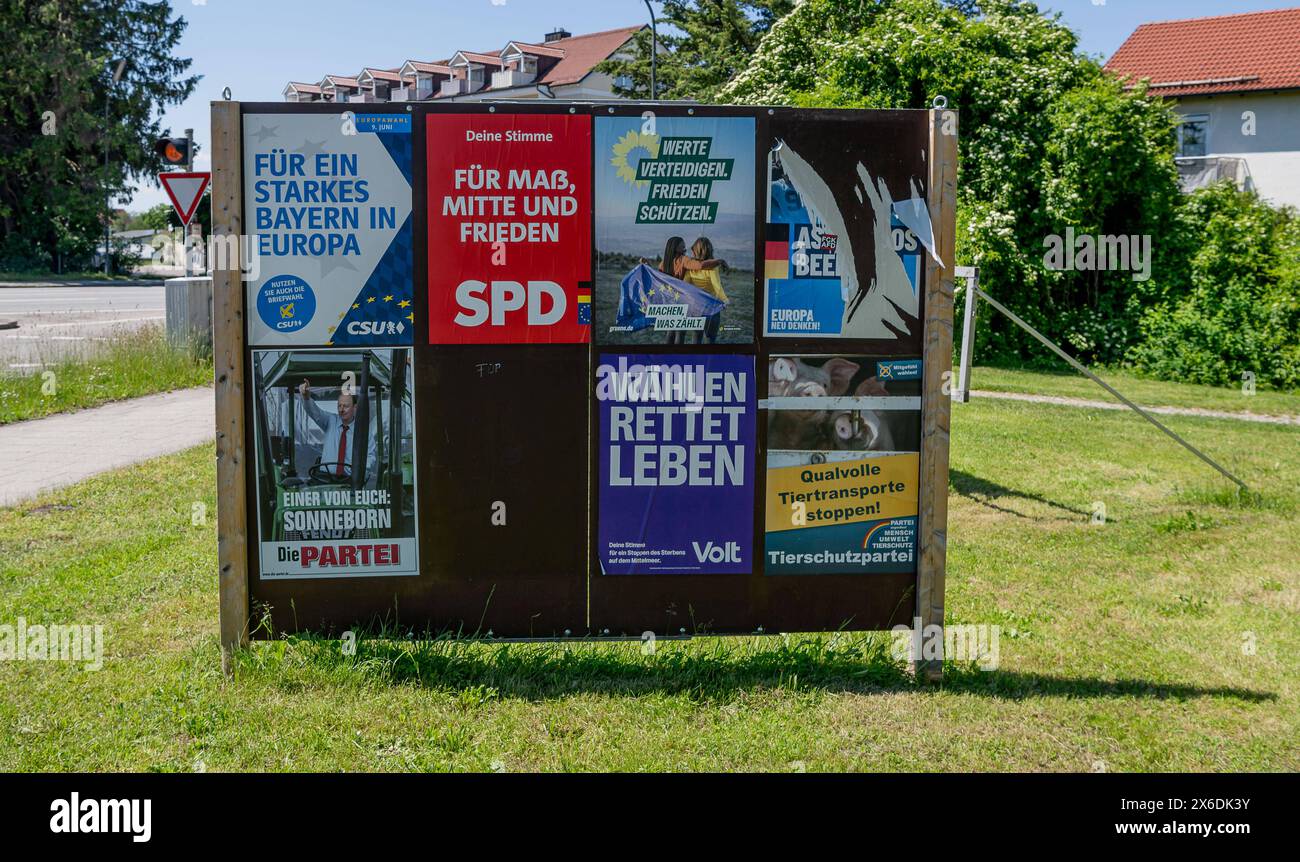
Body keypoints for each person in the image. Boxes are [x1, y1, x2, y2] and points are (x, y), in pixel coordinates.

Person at [297, 379, 377, 485]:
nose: (341, 409)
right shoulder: (330, 421)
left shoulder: (363, 432)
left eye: (346, 406)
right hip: (325, 479)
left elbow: (371, 456)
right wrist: (306, 397)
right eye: (339, 406)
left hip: (350, 479)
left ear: (355, 408)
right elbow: (314, 412)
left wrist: (359, 470)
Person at [657, 236, 725, 344]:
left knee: (671, 332)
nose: (685, 246)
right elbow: (700, 265)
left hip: (669, 301)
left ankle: (669, 356)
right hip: (682, 301)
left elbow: (658, 277)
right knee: (681, 333)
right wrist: (718, 261)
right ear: (675, 247)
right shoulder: (684, 260)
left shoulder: (663, 262)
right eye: (682, 244)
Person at [682, 236, 727, 344]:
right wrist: (725, 300)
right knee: (710, 339)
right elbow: (717, 286)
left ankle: (695, 359)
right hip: (711, 306)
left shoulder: (691, 267)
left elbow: (684, 284)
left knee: (696, 337)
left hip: (695, 306)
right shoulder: (713, 267)